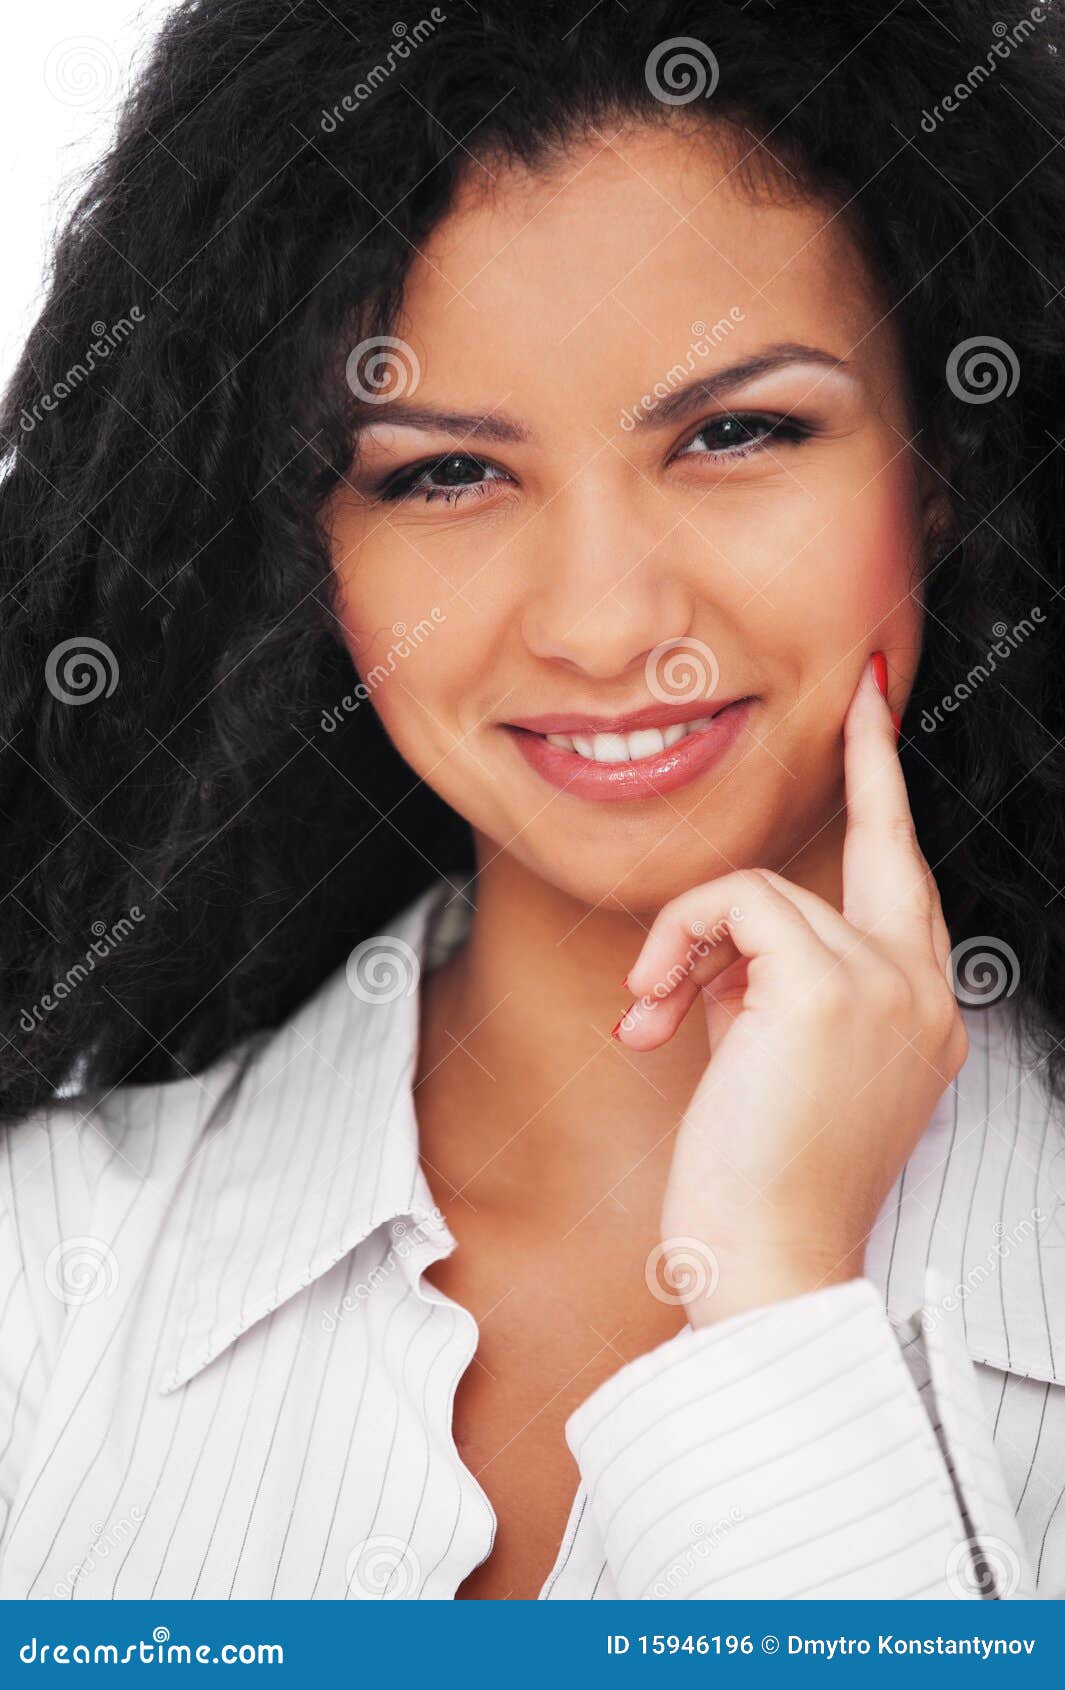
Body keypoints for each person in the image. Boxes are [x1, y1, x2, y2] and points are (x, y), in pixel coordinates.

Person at [1, 0, 1063, 1601]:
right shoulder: (42, 1273)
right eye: (442, 472)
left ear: (943, 464)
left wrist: (775, 1286)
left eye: (735, 433)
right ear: (312, 553)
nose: (600, 621)